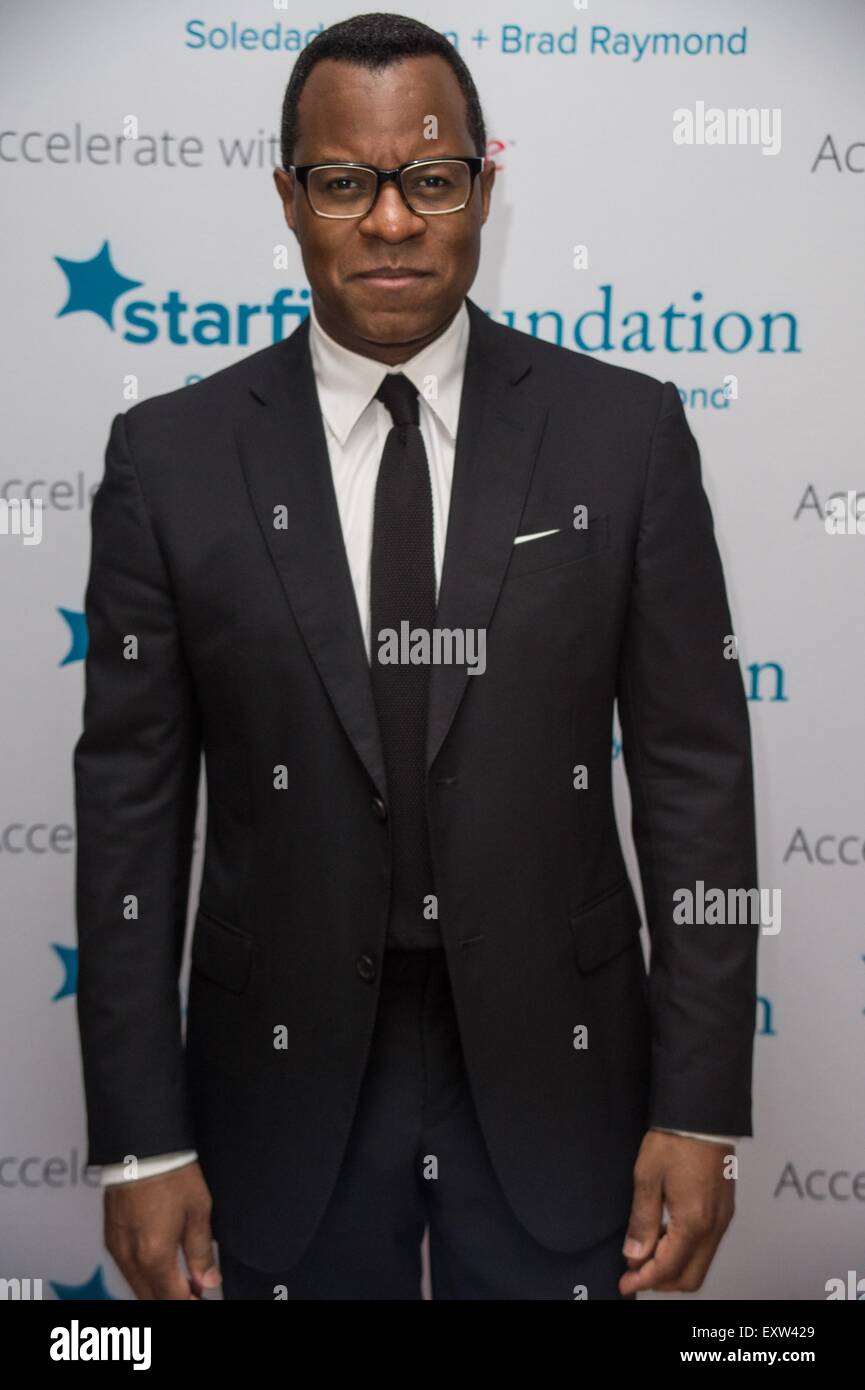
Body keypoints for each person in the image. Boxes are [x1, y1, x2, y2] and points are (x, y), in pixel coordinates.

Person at [74, 12, 758, 1301]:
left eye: (431, 178)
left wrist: (704, 1108)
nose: (392, 222)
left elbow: (696, 784)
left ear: (483, 188)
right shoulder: (168, 463)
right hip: (277, 1088)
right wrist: (138, 1139)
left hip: (564, 1076)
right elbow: (128, 816)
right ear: (290, 197)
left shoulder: (626, 435)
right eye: (346, 182)